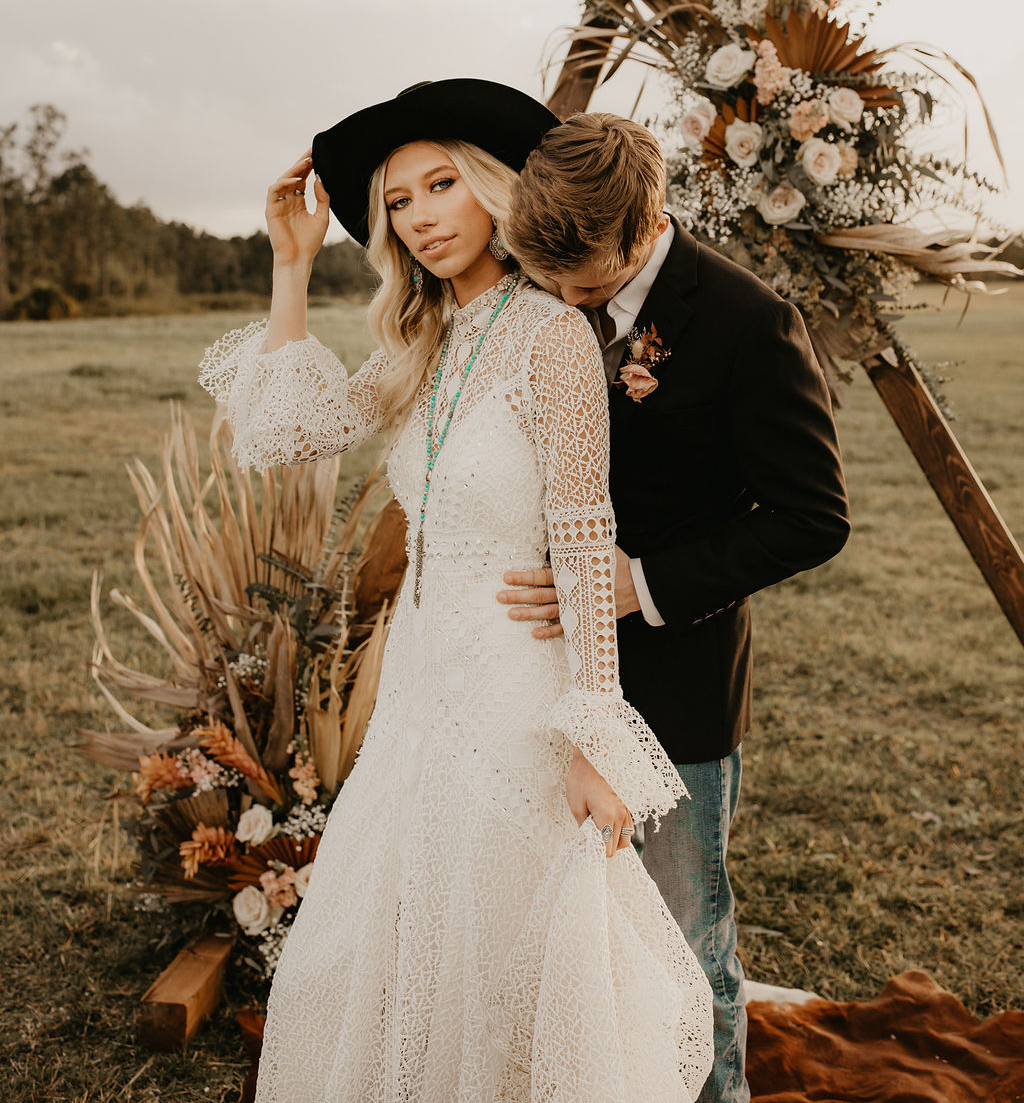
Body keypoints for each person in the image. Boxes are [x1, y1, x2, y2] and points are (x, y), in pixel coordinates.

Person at [198, 80, 714, 1103]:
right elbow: (285, 435)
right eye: (397, 201)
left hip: (518, 692)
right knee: (408, 936)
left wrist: (593, 737)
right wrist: (292, 265)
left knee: (511, 941)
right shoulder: (423, 341)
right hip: (420, 692)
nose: (421, 216)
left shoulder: (551, 336)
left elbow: (583, 538)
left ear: (494, 188)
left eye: (441, 185)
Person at [499, 112, 851, 1103]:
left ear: (650, 225)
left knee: (682, 936)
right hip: (536, 676)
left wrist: (639, 584)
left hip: (675, 686)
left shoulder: (748, 322)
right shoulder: (540, 289)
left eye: (587, 290)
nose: (564, 303)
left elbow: (812, 518)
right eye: (549, 284)